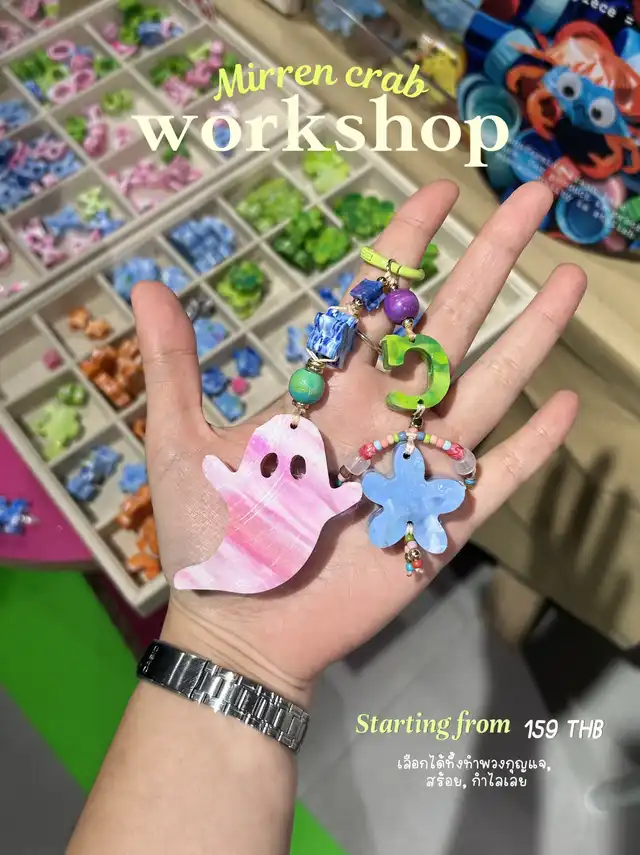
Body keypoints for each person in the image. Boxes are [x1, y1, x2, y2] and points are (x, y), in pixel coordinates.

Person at [67, 181, 585, 854]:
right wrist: (226, 642)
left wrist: (224, 648)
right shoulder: (299, 473)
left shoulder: (328, 477)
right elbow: (305, 488)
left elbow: (335, 491)